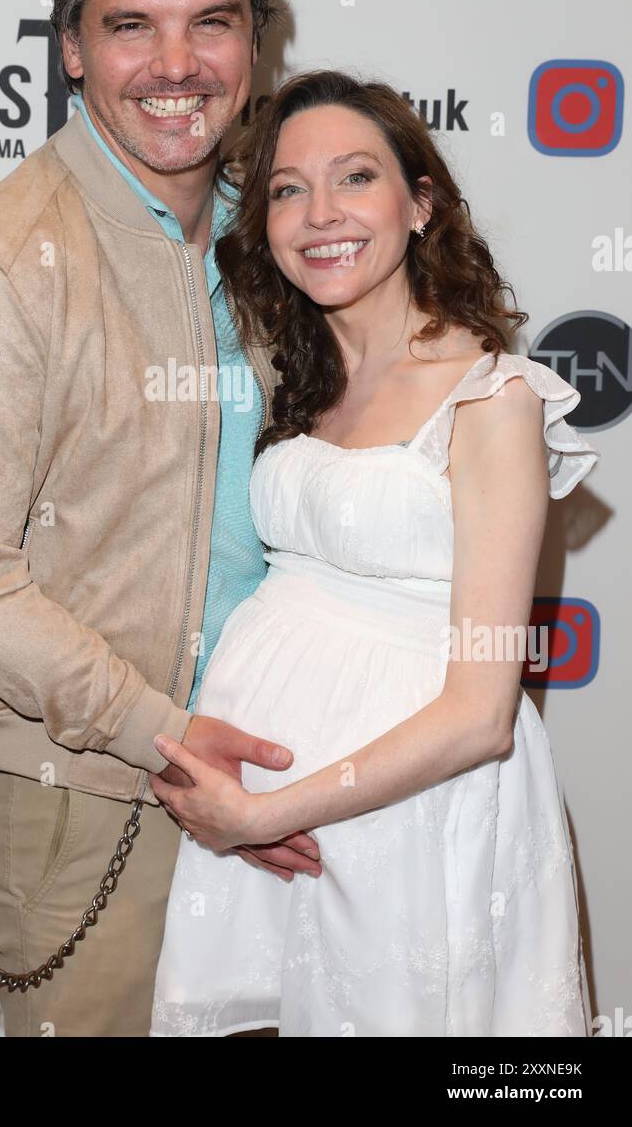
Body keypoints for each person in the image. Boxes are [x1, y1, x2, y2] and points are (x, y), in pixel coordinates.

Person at [0, 0, 324, 1039]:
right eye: (130, 24)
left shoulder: (282, 235)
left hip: (281, 790)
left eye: (210, 23)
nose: (176, 66)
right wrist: (164, 736)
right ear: (71, 48)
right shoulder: (2, 265)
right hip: (89, 809)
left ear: (255, 42)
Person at [149, 69, 600, 1037]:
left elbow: (480, 715)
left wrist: (268, 814)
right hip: (263, 817)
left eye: (354, 177)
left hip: (399, 813)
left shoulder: (491, 400)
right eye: (285, 188)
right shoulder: (298, 381)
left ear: (418, 203)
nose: (319, 214)